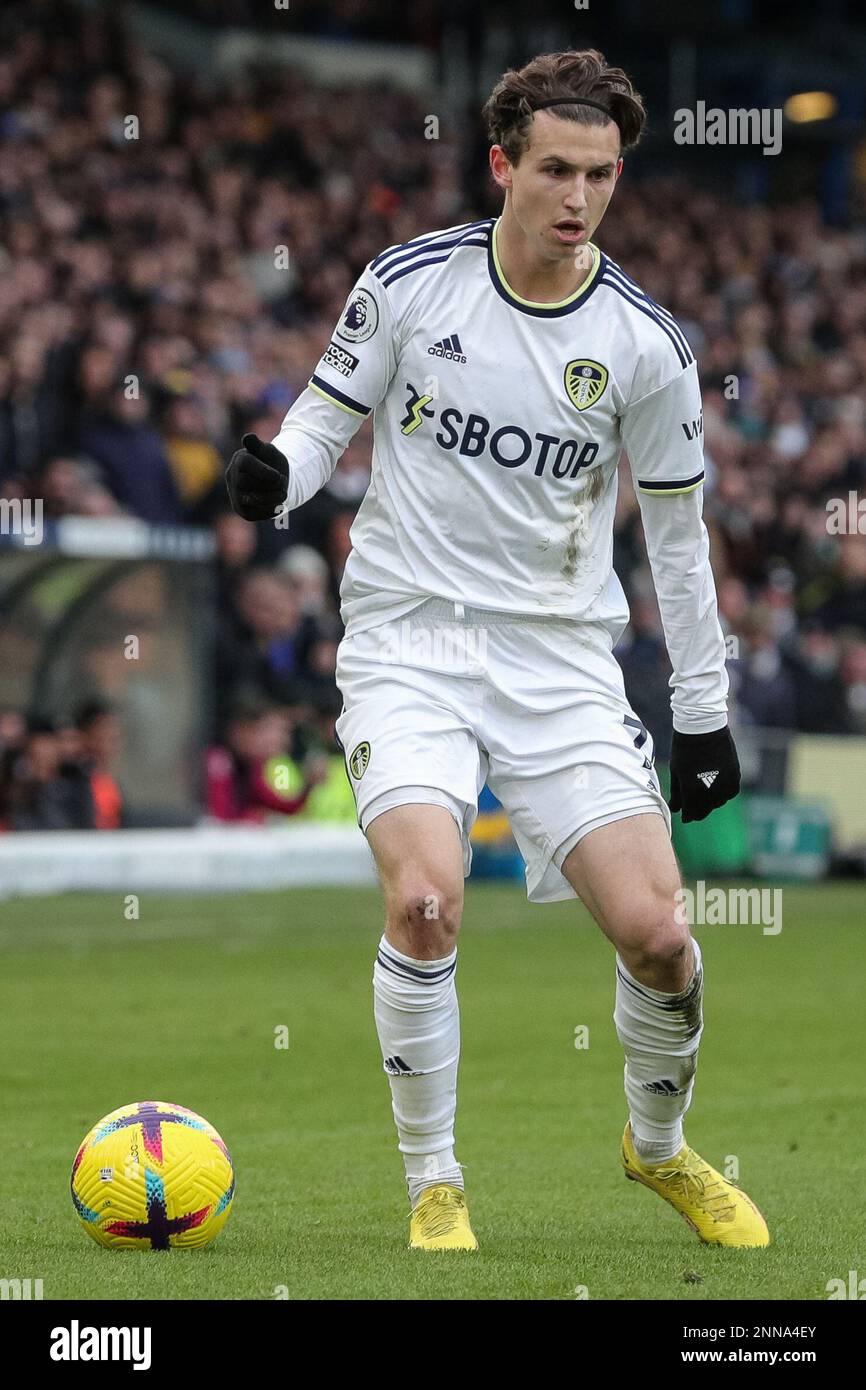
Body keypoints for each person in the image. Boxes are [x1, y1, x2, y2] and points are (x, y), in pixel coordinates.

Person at [225, 48, 768, 1253]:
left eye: (602, 175)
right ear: (502, 167)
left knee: (662, 937)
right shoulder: (411, 283)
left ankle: (659, 1148)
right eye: (557, 170)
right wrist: (278, 474)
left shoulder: (644, 347)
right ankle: (435, 1182)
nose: (578, 198)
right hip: (408, 640)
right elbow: (323, 419)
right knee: (423, 900)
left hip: (559, 663)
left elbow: (677, 547)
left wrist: (703, 713)